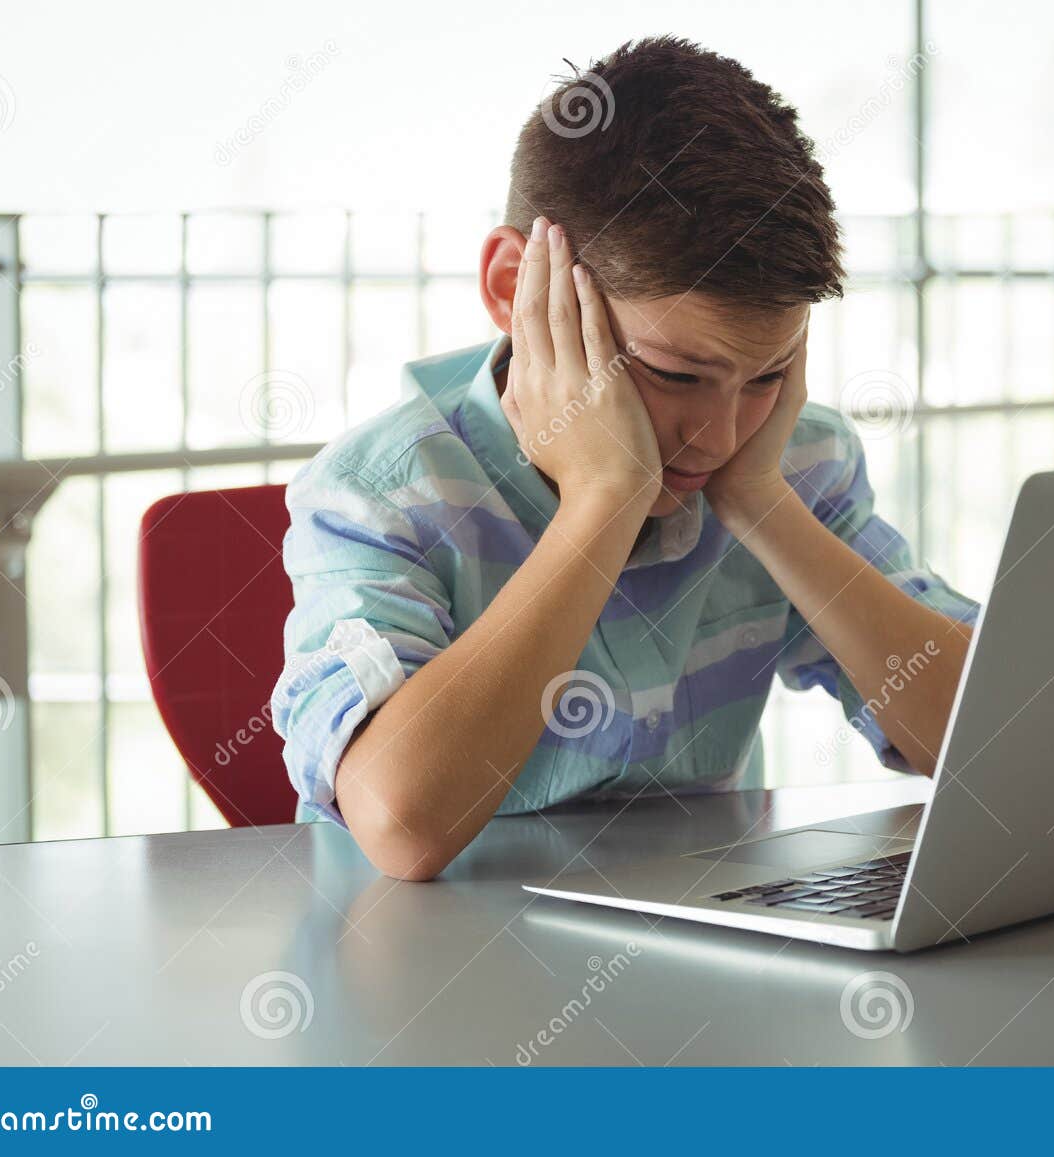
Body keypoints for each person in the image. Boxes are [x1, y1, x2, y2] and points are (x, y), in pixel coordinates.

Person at [270, 35, 979, 881]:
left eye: (768, 374)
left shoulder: (784, 459)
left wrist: (761, 503)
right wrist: (602, 498)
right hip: (431, 977)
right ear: (513, 287)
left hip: (693, 967)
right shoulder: (383, 495)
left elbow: (992, 739)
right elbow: (402, 822)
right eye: (676, 374)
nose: (718, 436)